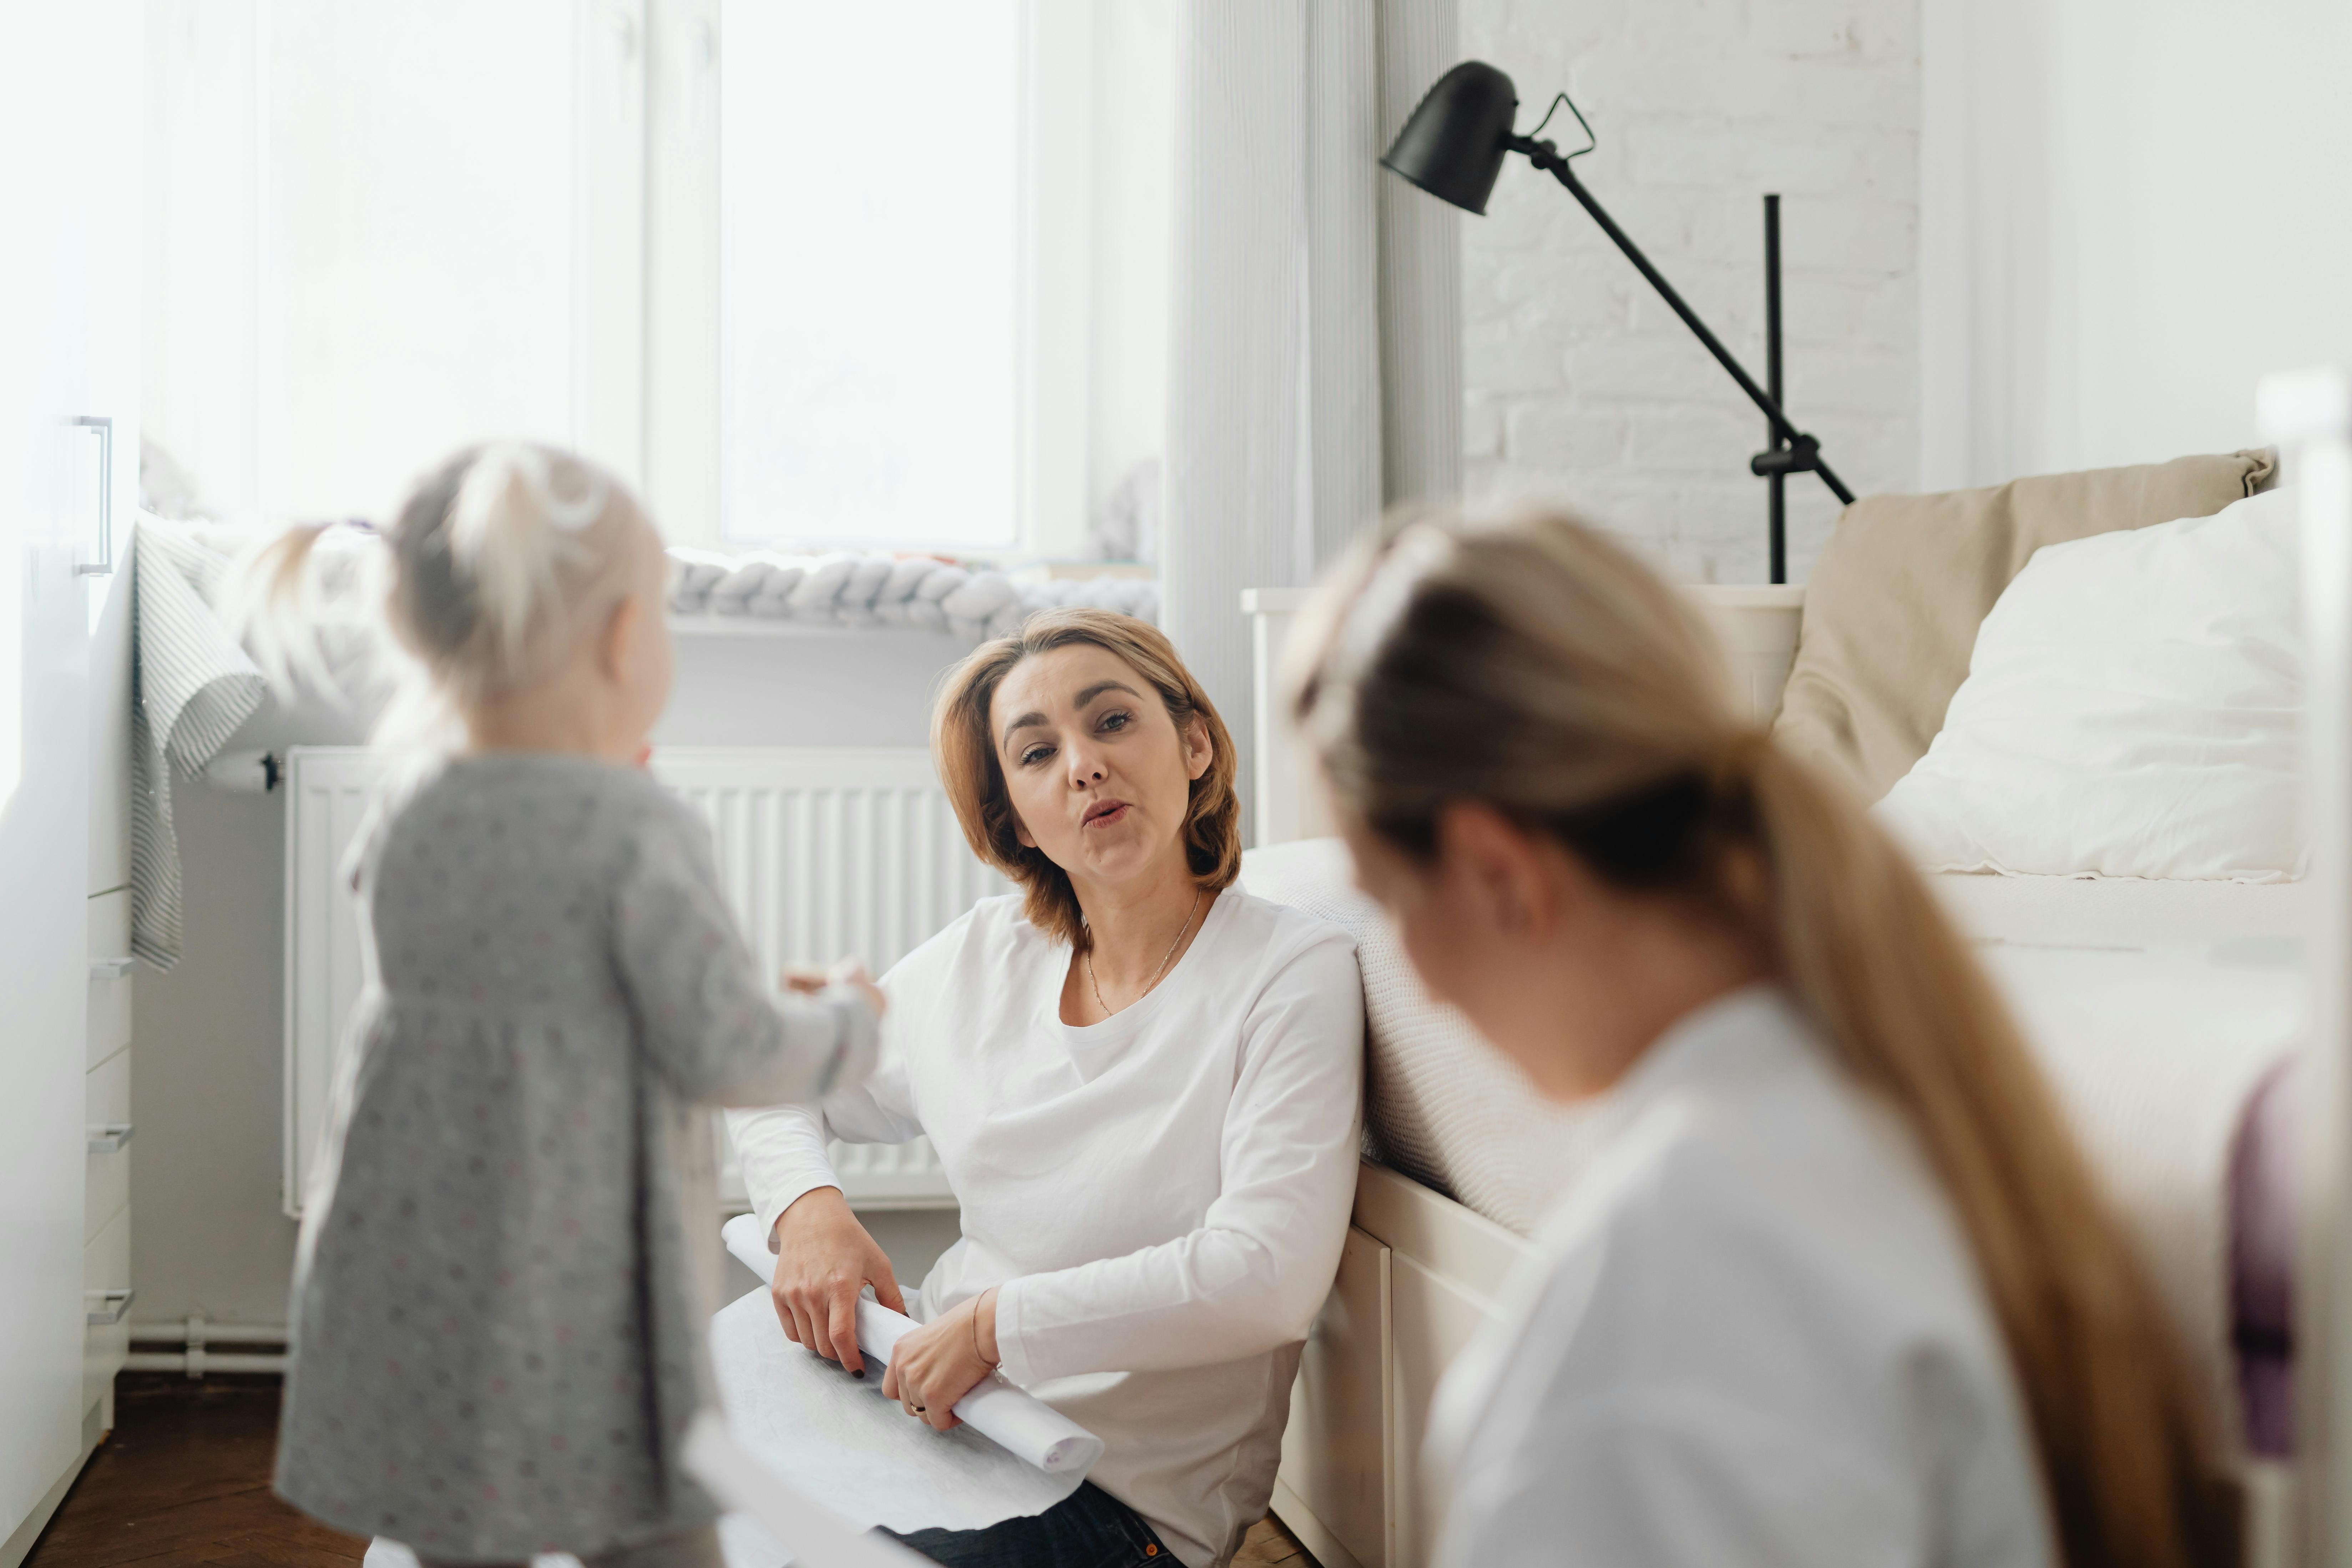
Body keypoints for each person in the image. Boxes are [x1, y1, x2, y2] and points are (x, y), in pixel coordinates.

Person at [1287, 512, 2236, 1568]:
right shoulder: (1903, 1103)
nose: (1406, 968)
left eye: (1384, 903)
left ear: (1497, 872)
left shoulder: (1669, 1285)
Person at [253, 444, 885, 1568]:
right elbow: (727, 1049)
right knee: (648, 1512)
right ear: (622, 637)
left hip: (420, 1242)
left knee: (454, 1508)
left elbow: (502, 979)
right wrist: (846, 1024)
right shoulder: (633, 827)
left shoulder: (409, 805)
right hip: (575, 1252)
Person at [727, 609, 1365, 1568]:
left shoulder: (1290, 968)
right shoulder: (984, 958)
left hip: (1109, 1496)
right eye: (1036, 752)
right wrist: (809, 1211)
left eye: (1111, 722)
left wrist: (995, 1326)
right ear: (1015, 818)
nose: (1082, 764)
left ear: (1193, 743)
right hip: (919, 1415)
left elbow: (1265, 1275)